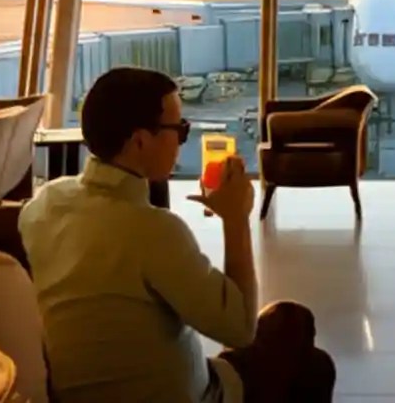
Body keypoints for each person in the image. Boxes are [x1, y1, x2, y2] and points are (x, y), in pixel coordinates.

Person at [18, 66, 335, 403]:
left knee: (296, 335)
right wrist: (236, 219)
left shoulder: (45, 204)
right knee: (304, 345)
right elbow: (240, 329)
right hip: (189, 394)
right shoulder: (152, 230)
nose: (183, 140)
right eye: (180, 129)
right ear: (140, 140)